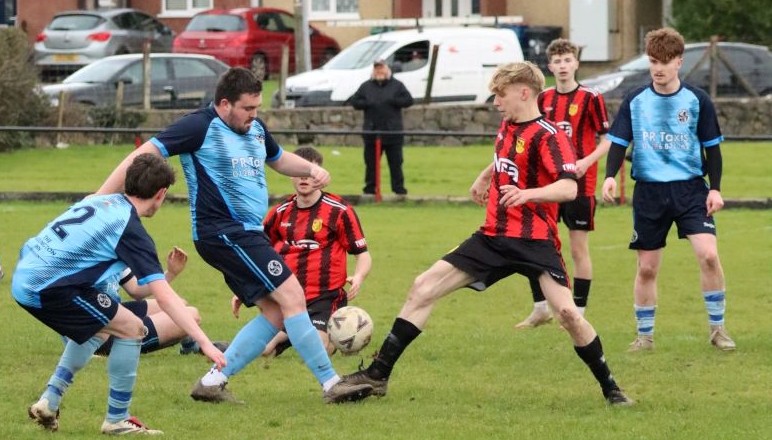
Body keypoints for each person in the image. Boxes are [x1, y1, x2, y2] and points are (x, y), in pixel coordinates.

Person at [339, 61, 633, 406]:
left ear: (524, 93)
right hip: (493, 236)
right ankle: (378, 375)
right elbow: (504, 159)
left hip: (535, 241)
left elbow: (569, 188)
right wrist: (485, 176)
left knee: (568, 314)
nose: (495, 102)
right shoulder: (507, 126)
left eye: (500, 94)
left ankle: (611, 388)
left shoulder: (551, 137)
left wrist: (528, 195)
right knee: (423, 287)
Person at [96, 67, 374, 404]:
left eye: (257, 108)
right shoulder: (199, 126)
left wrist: (310, 168)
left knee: (275, 313)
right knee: (293, 296)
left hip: (246, 234)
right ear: (225, 103)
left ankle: (212, 383)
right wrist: (98, 200)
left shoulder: (254, 128)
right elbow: (142, 156)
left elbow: (279, 159)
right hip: (224, 232)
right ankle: (331, 384)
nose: (254, 116)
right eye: (248, 108)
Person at [13, 153, 226, 435]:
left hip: (28, 276)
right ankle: (117, 419)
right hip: (47, 287)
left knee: (100, 330)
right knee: (132, 328)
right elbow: (165, 298)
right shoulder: (129, 228)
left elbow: (138, 290)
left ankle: (49, 401)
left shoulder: (100, 201)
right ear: (161, 194)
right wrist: (205, 343)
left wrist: (169, 273)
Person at [601, 28, 736, 352]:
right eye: (652, 62)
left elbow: (712, 150)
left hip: (690, 190)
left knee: (708, 254)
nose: (658, 69)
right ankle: (644, 336)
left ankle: (718, 330)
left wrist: (715, 189)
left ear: (679, 62)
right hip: (649, 192)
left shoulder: (697, 100)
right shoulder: (635, 99)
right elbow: (618, 143)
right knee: (647, 267)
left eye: (664, 62)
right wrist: (608, 177)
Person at [513, 38, 612, 328]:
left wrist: (586, 161)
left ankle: (578, 312)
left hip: (580, 185)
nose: (563, 66)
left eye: (568, 60)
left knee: (578, 248)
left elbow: (609, 139)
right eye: (557, 61)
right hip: (547, 185)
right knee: (535, 242)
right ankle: (541, 307)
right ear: (549, 66)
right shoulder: (543, 98)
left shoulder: (591, 98)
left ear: (576, 63)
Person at [248, 146, 372, 357]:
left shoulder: (339, 211)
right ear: (290, 175)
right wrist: (243, 288)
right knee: (263, 350)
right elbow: (259, 253)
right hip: (288, 296)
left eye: (310, 172)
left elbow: (363, 254)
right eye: (299, 172)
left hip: (325, 297)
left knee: (320, 349)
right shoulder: (279, 212)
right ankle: (287, 335)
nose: (304, 178)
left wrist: (359, 276)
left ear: (320, 175)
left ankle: (294, 335)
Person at [90, 246, 230, 356]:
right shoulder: (88, 256)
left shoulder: (109, 250)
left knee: (179, 304)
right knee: (192, 315)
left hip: (113, 314)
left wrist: (171, 273)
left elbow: (136, 290)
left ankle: (189, 346)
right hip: (102, 334)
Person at [350, 59, 414, 197]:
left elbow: (409, 100)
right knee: (371, 163)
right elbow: (355, 101)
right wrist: (367, 103)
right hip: (371, 132)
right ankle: (370, 189)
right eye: (377, 69)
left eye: (382, 69)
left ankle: (399, 190)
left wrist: (393, 101)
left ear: (387, 70)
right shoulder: (366, 86)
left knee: (396, 163)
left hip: (393, 133)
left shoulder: (397, 86)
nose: (379, 72)